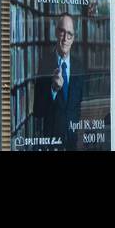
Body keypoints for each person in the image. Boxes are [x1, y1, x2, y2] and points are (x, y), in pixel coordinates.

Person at [32, 13, 83, 149]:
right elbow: (38, 110)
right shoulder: (44, 63)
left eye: (70, 34)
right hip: (52, 141)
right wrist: (53, 90)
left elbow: (80, 105)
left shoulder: (79, 65)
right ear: (56, 32)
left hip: (73, 141)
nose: (65, 39)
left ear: (74, 38)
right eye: (62, 32)